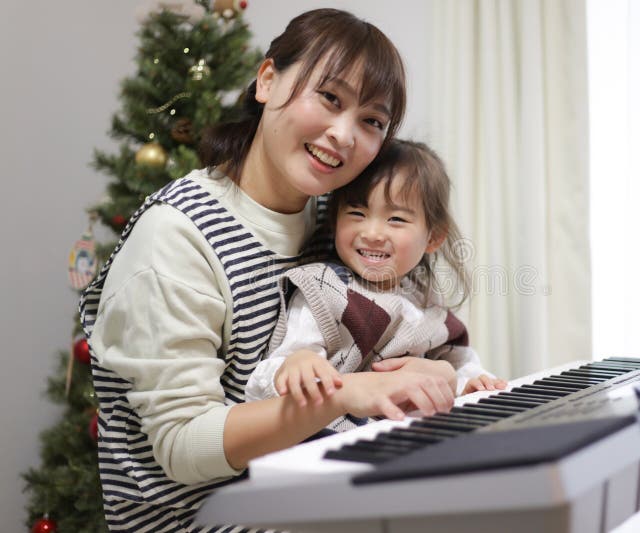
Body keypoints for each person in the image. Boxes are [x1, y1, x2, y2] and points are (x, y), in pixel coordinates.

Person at [80, 9, 456, 533]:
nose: (344, 135)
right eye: (329, 98)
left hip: (324, 499)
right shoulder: (177, 234)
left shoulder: (335, 218)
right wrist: (345, 393)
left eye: (371, 120)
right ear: (267, 79)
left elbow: (393, 335)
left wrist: (436, 371)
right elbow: (183, 447)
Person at [245, 139, 507, 431]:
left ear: (433, 237)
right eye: (357, 214)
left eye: (395, 219)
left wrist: (469, 383)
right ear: (335, 220)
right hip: (333, 440)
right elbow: (270, 379)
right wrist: (295, 364)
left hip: (406, 437)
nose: (372, 233)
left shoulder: (424, 297)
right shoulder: (324, 288)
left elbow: (454, 363)